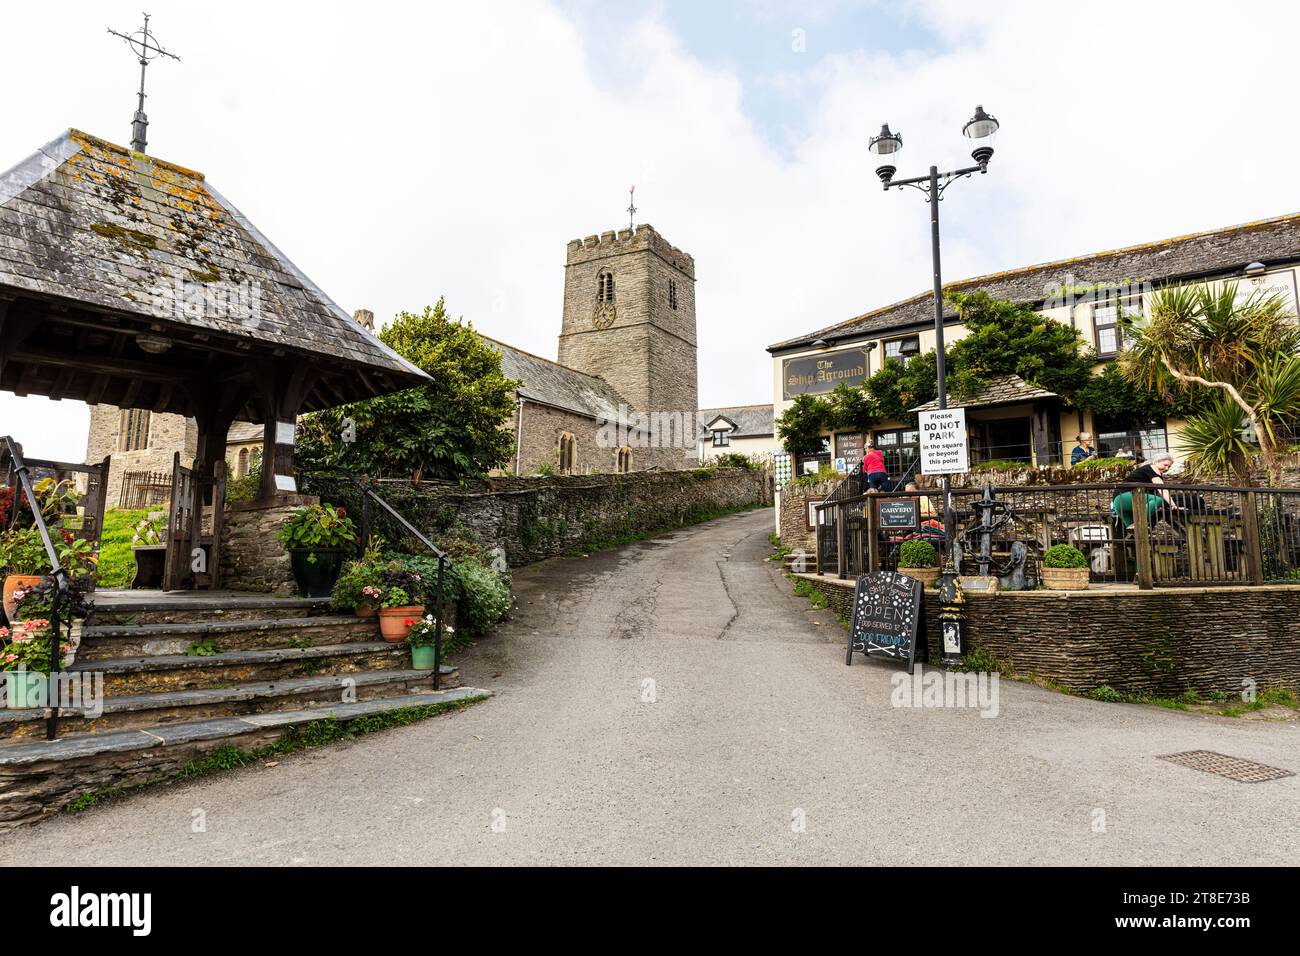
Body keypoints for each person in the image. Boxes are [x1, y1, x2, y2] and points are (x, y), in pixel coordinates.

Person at [1111, 452, 1182, 529]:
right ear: (1157, 462)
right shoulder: (1152, 469)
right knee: (1158, 500)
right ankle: (1139, 521)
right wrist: (1173, 505)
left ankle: (1137, 527)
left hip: (1118, 503)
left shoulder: (1147, 471)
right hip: (1124, 497)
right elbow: (1162, 489)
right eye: (1165, 465)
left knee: (1139, 534)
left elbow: (1157, 493)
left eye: (1169, 467)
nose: (1167, 468)